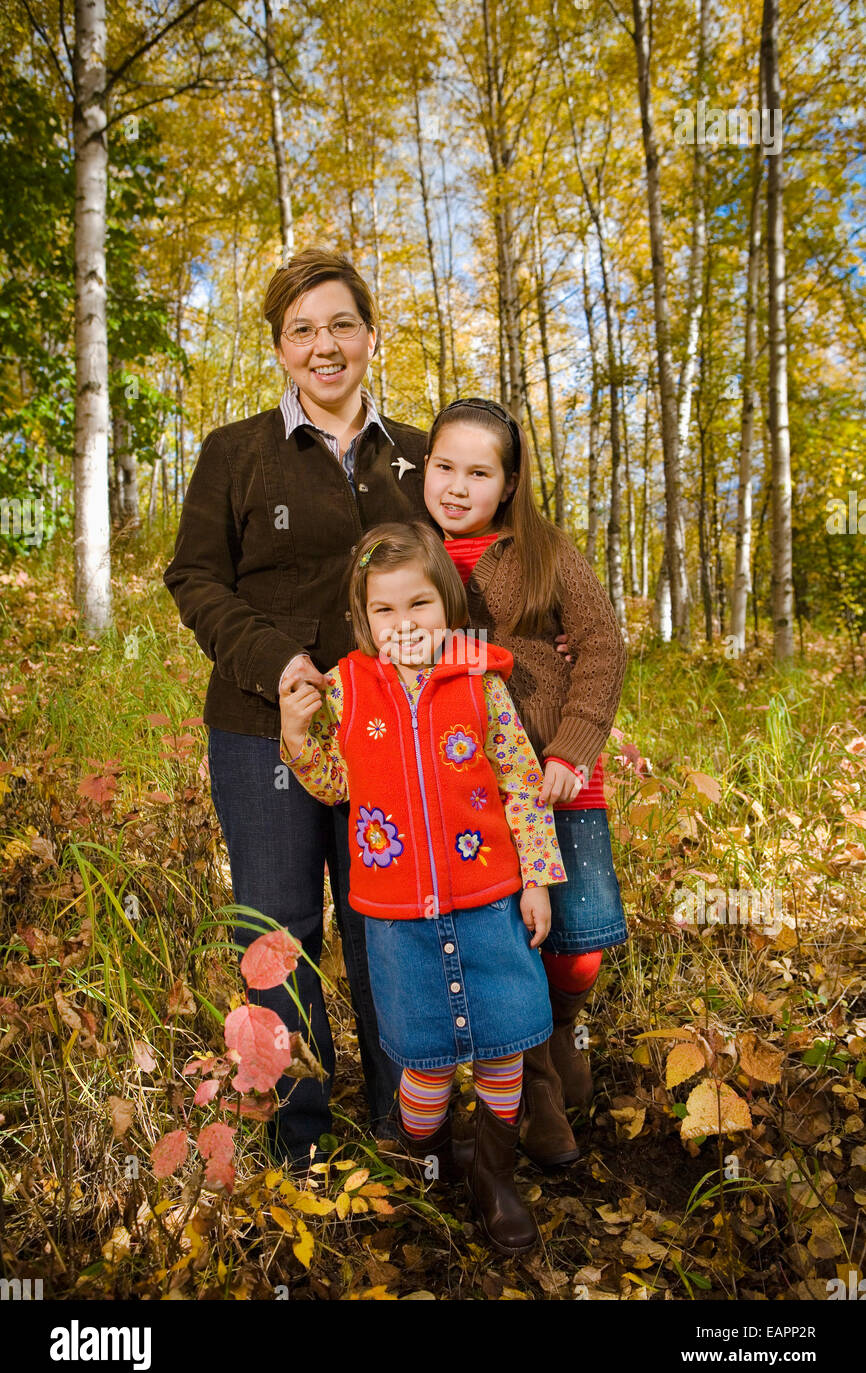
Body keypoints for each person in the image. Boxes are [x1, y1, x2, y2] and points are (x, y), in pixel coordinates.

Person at [163, 247, 430, 1167]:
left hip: (394, 734)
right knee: (279, 931)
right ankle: (296, 1143)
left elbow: (469, 569)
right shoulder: (235, 453)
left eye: (341, 324)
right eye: (302, 330)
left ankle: (410, 1126)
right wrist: (276, 662)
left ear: (369, 333)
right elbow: (193, 576)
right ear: (279, 349)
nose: (325, 346)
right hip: (258, 726)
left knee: (388, 921)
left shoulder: (418, 454)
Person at [278, 521, 566, 1255]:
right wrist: (295, 734)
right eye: (385, 610)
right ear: (363, 619)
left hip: (489, 904)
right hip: (398, 917)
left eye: (421, 605)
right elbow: (333, 784)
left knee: (502, 1047)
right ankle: (426, 1166)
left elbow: (521, 786)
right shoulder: (349, 688)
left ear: (449, 608)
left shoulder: (480, 681)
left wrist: (537, 879)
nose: (404, 624)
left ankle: (494, 1179)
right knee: (426, 1062)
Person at [423, 397, 628, 1167]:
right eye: (444, 467)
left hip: (557, 779)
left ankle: (565, 1024)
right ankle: (537, 1084)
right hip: (473, 788)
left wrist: (573, 749)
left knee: (580, 940)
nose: (456, 486)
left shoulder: (543, 552)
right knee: (511, 943)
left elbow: (603, 645)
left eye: (479, 472)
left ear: (507, 484)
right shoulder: (416, 554)